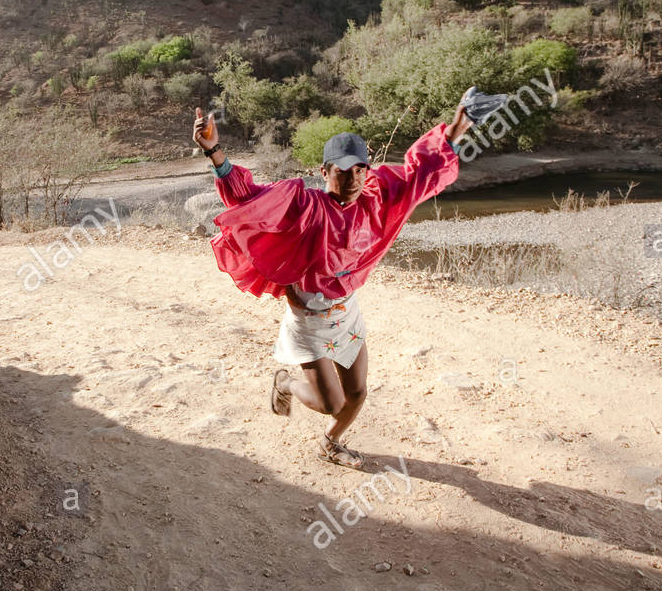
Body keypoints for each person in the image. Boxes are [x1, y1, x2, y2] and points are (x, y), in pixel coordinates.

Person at [193, 104, 477, 469]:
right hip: (309, 320)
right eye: (342, 170)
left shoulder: (378, 202)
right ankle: (285, 383)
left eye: (360, 169)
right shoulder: (305, 205)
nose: (352, 178)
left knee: (357, 393)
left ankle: (330, 442)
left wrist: (452, 132)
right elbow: (248, 198)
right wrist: (214, 152)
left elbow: (419, 171)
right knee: (331, 403)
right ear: (323, 172)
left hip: (347, 313)